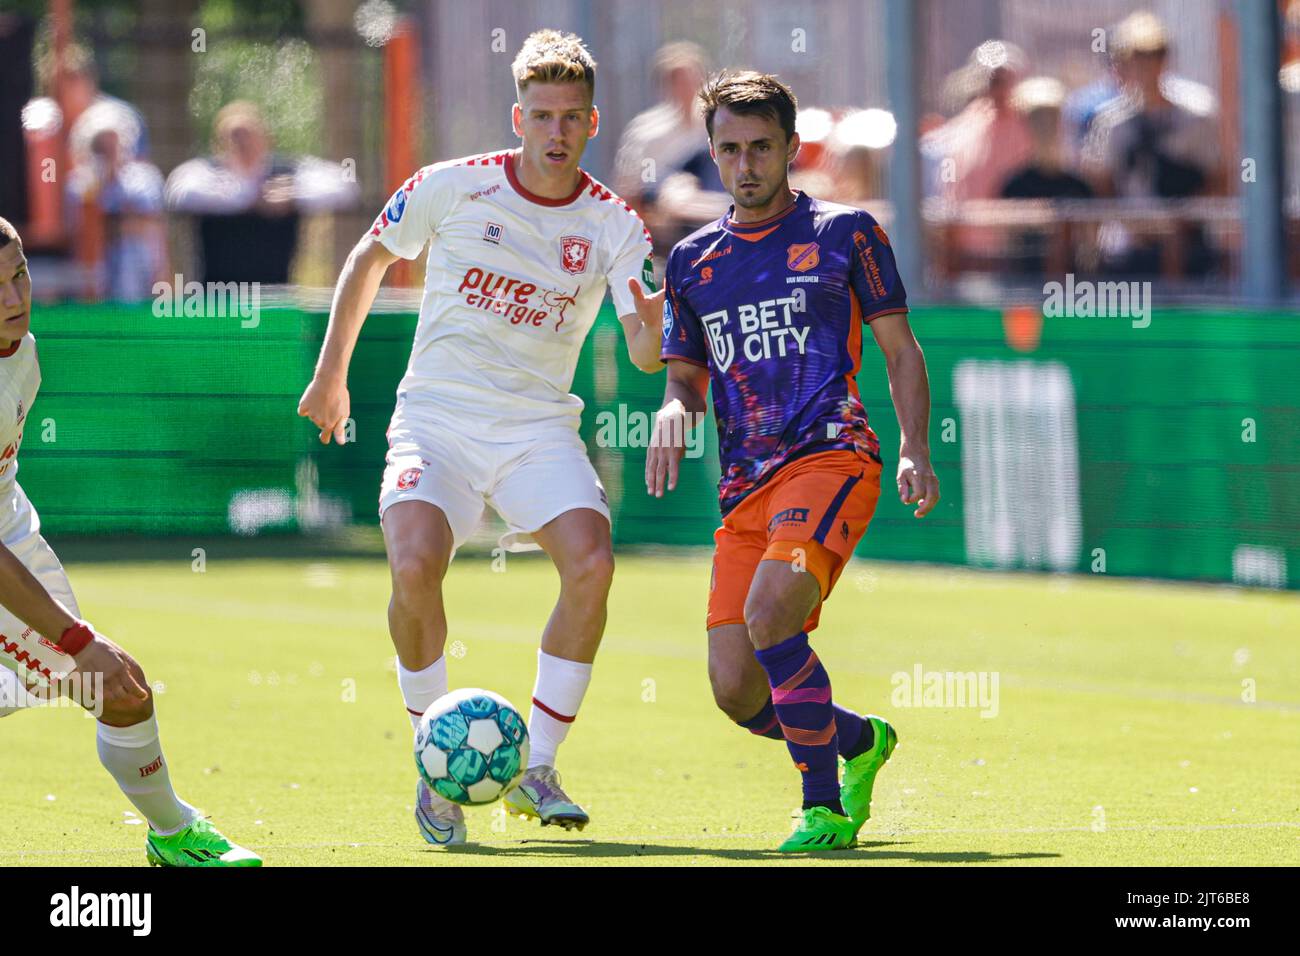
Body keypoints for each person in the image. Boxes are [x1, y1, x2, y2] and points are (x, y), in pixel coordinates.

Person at [297, 30, 662, 847]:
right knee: (415, 564)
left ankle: (537, 767)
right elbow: (368, 257)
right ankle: (436, 771)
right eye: (541, 116)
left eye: (570, 117)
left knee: (593, 565)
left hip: (537, 429)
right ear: (517, 117)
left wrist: (656, 332)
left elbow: (644, 341)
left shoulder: (614, 224)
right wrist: (332, 376)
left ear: (593, 121)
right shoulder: (452, 187)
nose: (556, 132)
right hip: (438, 419)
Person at [644, 71, 940, 852]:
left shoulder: (847, 234)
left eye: (761, 147)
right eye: (730, 149)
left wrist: (915, 448)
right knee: (735, 690)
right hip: (744, 487)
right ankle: (859, 742)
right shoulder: (691, 262)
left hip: (831, 456)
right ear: (712, 153)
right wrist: (675, 412)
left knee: (772, 613)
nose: (745, 165)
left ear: (791, 148)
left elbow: (901, 350)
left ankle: (824, 809)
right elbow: (685, 376)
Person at [0, 217, 259, 867]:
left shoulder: (23, 349)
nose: (13, 298)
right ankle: (175, 834)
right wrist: (76, 639)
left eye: (19, 274)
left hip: (12, 526)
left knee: (115, 684)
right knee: (114, 680)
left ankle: (172, 834)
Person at [1081, 10, 1223, 275]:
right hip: (1129, 248)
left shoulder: (1196, 116)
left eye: (1155, 54)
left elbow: (1217, 181)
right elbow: (1101, 186)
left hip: (1189, 247)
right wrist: (1133, 225)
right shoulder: (1110, 123)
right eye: (1137, 56)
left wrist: (1179, 224)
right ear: (1122, 62)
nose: (1146, 65)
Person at [165, 100, 358, 284]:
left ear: (266, 138)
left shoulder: (288, 172)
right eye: (234, 136)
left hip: (276, 294)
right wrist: (251, 197)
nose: (243, 144)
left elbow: (346, 186)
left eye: (249, 135)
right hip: (218, 296)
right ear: (218, 143)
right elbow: (178, 192)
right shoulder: (206, 172)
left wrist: (293, 197)